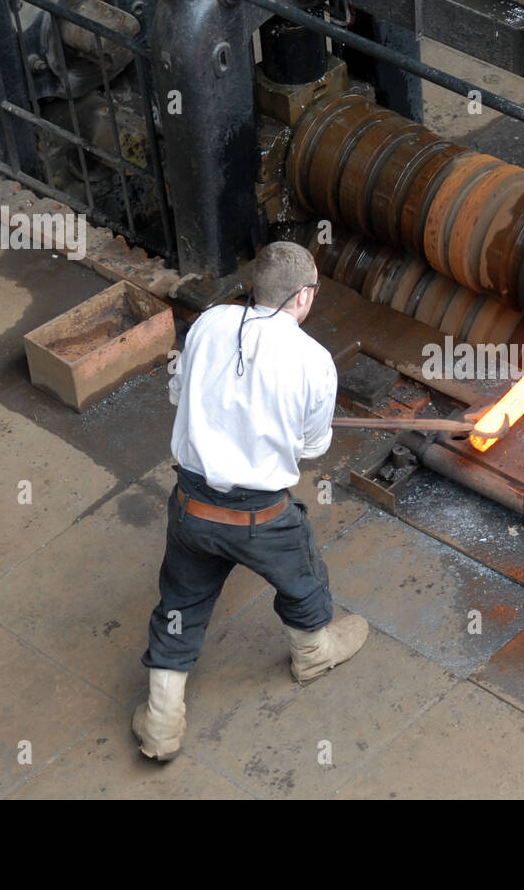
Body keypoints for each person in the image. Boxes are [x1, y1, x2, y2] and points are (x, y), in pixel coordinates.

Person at [132, 240, 369, 762]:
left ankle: (161, 723)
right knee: (302, 576)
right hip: (261, 517)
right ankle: (313, 655)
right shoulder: (314, 361)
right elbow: (311, 446)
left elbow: (181, 393)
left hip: (192, 507)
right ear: (304, 296)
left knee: (180, 603)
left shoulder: (211, 322)